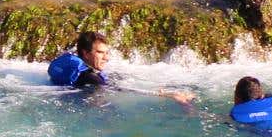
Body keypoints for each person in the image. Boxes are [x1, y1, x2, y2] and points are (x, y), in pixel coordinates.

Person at [47, 30, 195, 104]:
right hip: (83, 99)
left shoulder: (75, 61)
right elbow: (124, 90)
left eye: (107, 52)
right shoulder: (91, 78)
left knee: (119, 76)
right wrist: (166, 95)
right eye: (100, 53)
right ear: (85, 53)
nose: (107, 57)